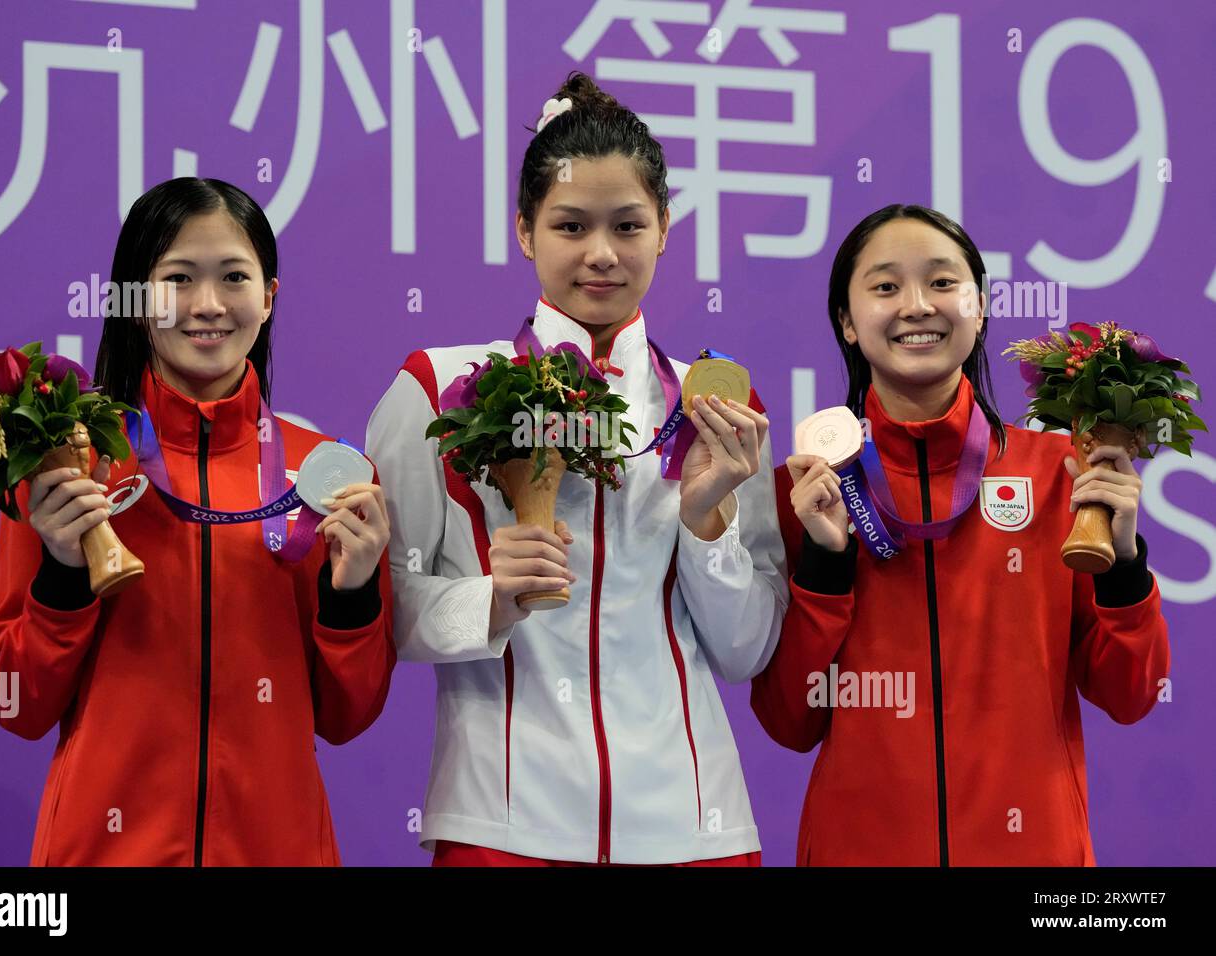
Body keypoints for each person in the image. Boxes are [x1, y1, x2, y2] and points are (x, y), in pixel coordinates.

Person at [360, 73, 787, 866]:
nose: (601, 254)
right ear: (524, 231)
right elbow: (379, 610)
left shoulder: (716, 404)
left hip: (695, 830)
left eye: (628, 225)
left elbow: (746, 650)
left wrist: (705, 526)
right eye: (570, 225)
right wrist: (489, 598)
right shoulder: (436, 389)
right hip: (502, 825)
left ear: (666, 227)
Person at [0, 178, 395, 866]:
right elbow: (16, 705)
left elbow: (346, 717)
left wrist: (349, 599)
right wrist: (62, 574)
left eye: (234, 276)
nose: (207, 305)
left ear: (269, 297)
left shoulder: (327, 476)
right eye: (177, 279)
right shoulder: (67, 461)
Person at [751, 203, 1170, 866]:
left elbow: (1131, 694)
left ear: (979, 308)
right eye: (885, 287)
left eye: (943, 283)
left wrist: (1122, 564)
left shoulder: (1062, 473)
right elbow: (789, 722)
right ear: (847, 322)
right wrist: (826, 566)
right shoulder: (807, 491)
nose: (917, 305)